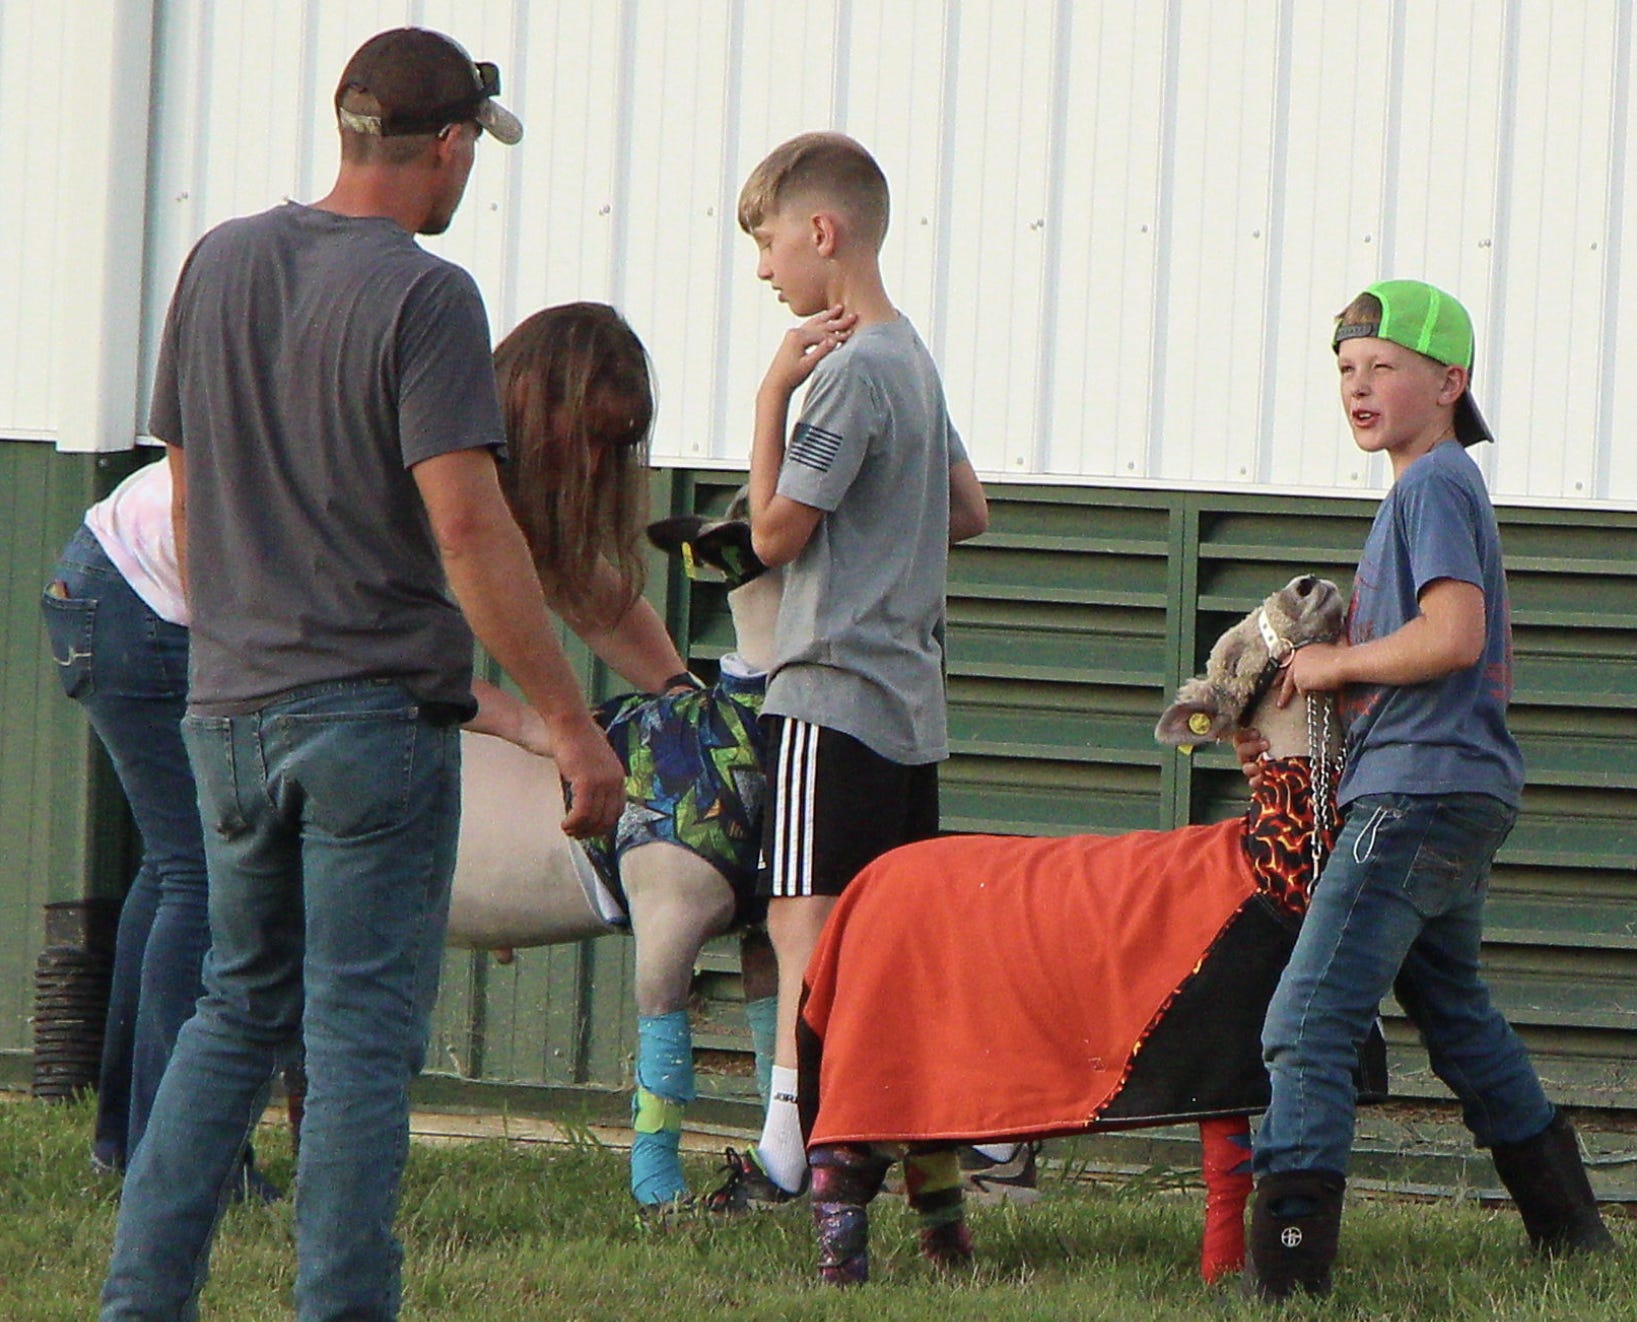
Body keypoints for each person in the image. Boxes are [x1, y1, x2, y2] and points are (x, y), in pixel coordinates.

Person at [100, 29, 624, 1321]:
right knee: (356, 1047)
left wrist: (235, 654)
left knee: (235, 1010)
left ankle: (138, 1301)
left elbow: (189, 486)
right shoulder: (426, 293)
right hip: (368, 719)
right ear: (446, 146)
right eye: (465, 159)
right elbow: (466, 523)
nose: (462, 183)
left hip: (224, 703)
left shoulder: (216, 262)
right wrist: (568, 720)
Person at [1238, 280, 1614, 1299]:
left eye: (1382, 367)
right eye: (1345, 370)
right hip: (1453, 791)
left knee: (1304, 1020)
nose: (1357, 387)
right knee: (1454, 1014)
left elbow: (1453, 636)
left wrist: (1331, 668)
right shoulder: (1426, 485)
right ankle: (1569, 1229)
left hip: (1412, 797)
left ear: (1448, 383)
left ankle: (1283, 1275)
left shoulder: (1430, 486)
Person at [703, 131, 989, 1211]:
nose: (766, 268)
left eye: (769, 242)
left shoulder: (839, 373)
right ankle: (896, 1151)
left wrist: (773, 394)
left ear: (821, 232)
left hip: (826, 692)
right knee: (886, 938)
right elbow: (968, 510)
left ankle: (788, 1155)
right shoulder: (913, 359)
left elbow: (773, 536)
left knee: (800, 920)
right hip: (912, 703)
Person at [41, 460, 269, 1198]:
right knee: (204, 874)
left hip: (107, 575)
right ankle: (180, 1164)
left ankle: (130, 1145)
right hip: (145, 599)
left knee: (176, 866)